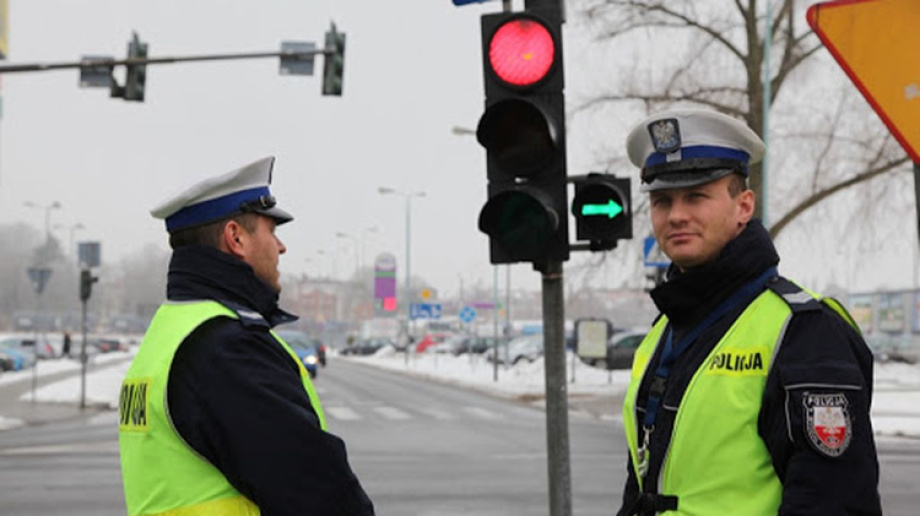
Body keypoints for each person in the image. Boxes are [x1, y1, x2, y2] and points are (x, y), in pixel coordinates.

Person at [616, 109, 881, 515]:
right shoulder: (663, 332)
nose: (676, 215)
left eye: (697, 196)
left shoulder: (804, 332)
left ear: (743, 207)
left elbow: (834, 501)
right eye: (662, 201)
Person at [118, 157, 375, 516]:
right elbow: (319, 495)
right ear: (236, 238)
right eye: (272, 231)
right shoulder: (227, 348)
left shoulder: (169, 331)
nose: (281, 247)